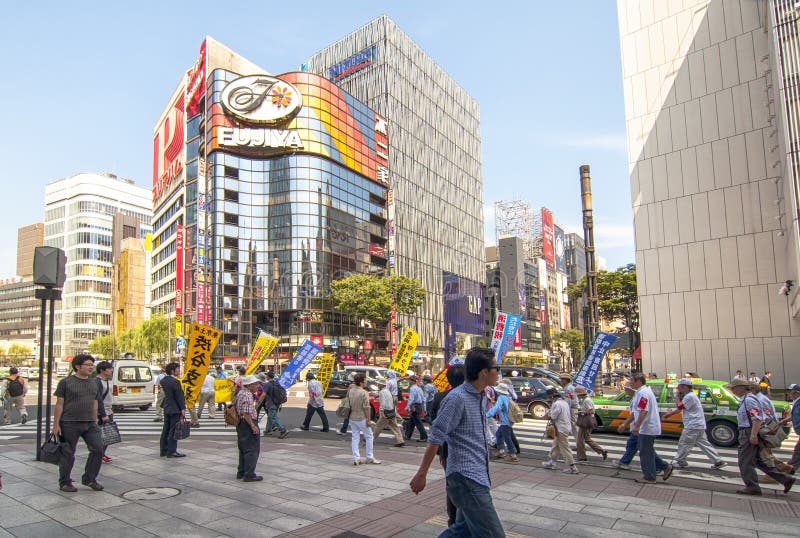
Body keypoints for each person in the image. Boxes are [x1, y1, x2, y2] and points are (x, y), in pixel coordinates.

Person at [409, 347, 506, 537]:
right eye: (497, 367)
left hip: (476, 475)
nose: (499, 372)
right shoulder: (457, 399)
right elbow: (436, 436)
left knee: (463, 531)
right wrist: (421, 474)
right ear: (484, 372)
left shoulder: (479, 395)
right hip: (466, 478)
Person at [727, 378, 794, 495]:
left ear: (741, 388)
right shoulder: (745, 400)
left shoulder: (749, 400)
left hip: (749, 432)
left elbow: (756, 418)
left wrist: (753, 435)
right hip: (749, 431)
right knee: (758, 461)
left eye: (734, 387)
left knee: (745, 462)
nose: (732, 390)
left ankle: (752, 486)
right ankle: (785, 479)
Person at [52, 354, 104, 492]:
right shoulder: (66, 382)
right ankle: (65, 482)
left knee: (98, 449)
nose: (90, 367)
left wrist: (95, 420)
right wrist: (56, 425)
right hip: (69, 423)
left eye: (92, 365)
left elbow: (95, 402)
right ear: (77, 366)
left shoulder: (94, 383)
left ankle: (89, 478)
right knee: (68, 454)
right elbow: (59, 404)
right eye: (87, 364)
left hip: (90, 424)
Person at [429, 358, 466, 527]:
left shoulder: (440, 396)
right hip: (465, 452)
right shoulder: (470, 396)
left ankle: (453, 519)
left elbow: (435, 425)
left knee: (451, 485)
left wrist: (441, 453)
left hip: (447, 451)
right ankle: (460, 520)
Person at [662, 379, 724, 470]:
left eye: (678, 387)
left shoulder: (689, 397)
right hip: (698, 424)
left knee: (684, 443)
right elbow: (680, 408)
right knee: (704, 444)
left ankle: (680, 461)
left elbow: (680, 407)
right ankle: (718, 461)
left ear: (684, 387)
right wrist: (670, 413)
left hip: (692, 425)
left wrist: (677, 398)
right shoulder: (690, 396)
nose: (677, 389)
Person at [629, 372, 672, 484]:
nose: (630, 383)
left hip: (647, 427)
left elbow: (644, 410)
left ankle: (649, 476)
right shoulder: (642, 392)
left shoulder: (643, 393)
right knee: (647, 450)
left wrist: (637, 426)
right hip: (646, 427)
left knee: (645, 452)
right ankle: (665, 467)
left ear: (638, 381)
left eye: (632, 380)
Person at [751, 381, 793, 474]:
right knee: (766, 452)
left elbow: (762, 416)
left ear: (753, 390)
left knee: (764, 453)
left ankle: (772, 475)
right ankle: (784, 467)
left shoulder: (759, 400)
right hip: (767, 426)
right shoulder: (761, 398)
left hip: (764, 427)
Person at [348, 373, 381, 465]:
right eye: (365, 380)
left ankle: (356, 458)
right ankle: (369, 457)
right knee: (369, 436)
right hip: (361, 417)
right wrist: (368, 420)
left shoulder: (351, 390)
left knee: (355, 437)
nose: (366, 382)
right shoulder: (363, 392)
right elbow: (367, 407)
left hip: (352, 416)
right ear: (362, 382)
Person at [543, 388, 578, 474]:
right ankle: (552, 462)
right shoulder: (564, 402)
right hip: (565, 427)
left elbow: (553, 416)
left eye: (549, 397)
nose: (549, 399)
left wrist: (548, 412)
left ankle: (572, 466)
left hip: (560, 428)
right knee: (556, 445)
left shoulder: (557, 404)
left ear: (552, 397)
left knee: (565, 448)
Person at [235, 375, 263, 481]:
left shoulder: (241, 393)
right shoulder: (247, 395)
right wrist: (253, 426)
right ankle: (249, 474)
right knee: (252, 449)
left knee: (243, 448)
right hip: (247, 423)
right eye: (256, 384)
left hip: (241, 424)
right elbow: (246, 413)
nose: (258, 386)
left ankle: (241, 471)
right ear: (250, 385)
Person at [159, 362, 187, 458]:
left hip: (167, 407)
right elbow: (179, 396)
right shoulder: (175, 382)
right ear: (172, 370)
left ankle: (163, 449)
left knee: (165, 429)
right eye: (178, 369)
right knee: (173, 430)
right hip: (175, 408)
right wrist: (183, 408)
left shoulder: (163, 380)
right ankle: (172, 451)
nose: (179, 370)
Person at [574, 386, 607, 462]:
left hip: (586, 422)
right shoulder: (585, 400)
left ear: (580, 394)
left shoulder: (587, 400)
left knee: (580, 440)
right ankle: (601, 451)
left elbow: (591, 411)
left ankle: (582, 457)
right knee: (586, 439)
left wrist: (581, 412)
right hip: (586, 421)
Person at [486, 383, 517, 463]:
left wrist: (488, 414)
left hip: (505, 421)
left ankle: (513, 455)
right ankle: (501, 451)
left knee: (507, 438)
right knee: (498, 435)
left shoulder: (501, 398)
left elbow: (497, 407)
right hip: (508, 420)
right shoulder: (507, 397)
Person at [614, 383, 639, 470]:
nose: (625, 391)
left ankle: (663, 466)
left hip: (639, 427)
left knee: (646, 450)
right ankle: (624, 461)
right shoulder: (634, 398)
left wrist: (625, 424)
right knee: (632, 445)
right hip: (637, 426)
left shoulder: (637, 398)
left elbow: (635, 414)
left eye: (626, 389)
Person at [258, 371, 289, 439]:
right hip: (277, 403)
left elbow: (263, 394)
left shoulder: (267, 384)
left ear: (268, 377)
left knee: (273, 417)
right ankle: (268, 430)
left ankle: (283, 430)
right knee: (270, 416)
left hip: (271, 403)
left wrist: (258, 402)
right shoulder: (277, 383)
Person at [94, 361, 114, 464]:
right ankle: (99, 455)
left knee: (108, 436)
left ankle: (101, 454)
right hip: (102, 413)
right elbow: (98, 400)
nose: (111, 370)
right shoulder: (97, 382)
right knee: (103, 436)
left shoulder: (106, 380)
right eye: (109, 368)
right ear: (102, 370)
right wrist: (103, 414)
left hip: (108, 411)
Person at [781, 383, 800, 468]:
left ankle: (791, 466)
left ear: (797, 393)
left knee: (798, 450)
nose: (789, 394)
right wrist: (783, 421)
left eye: (790, 392)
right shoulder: (796, 402)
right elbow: (795, 415)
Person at [404, 375, 428, 442]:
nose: (408, 382)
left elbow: (411, 399)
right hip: (419, 406)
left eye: (409, 380)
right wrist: (424, 408)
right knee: (411, 421)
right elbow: (423, 399)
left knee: (418, 422)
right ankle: (407, 435)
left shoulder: (412, 388)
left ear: (411, 381)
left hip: (414, 406)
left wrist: (407, 407)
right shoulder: (419, 388)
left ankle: (424, 436)